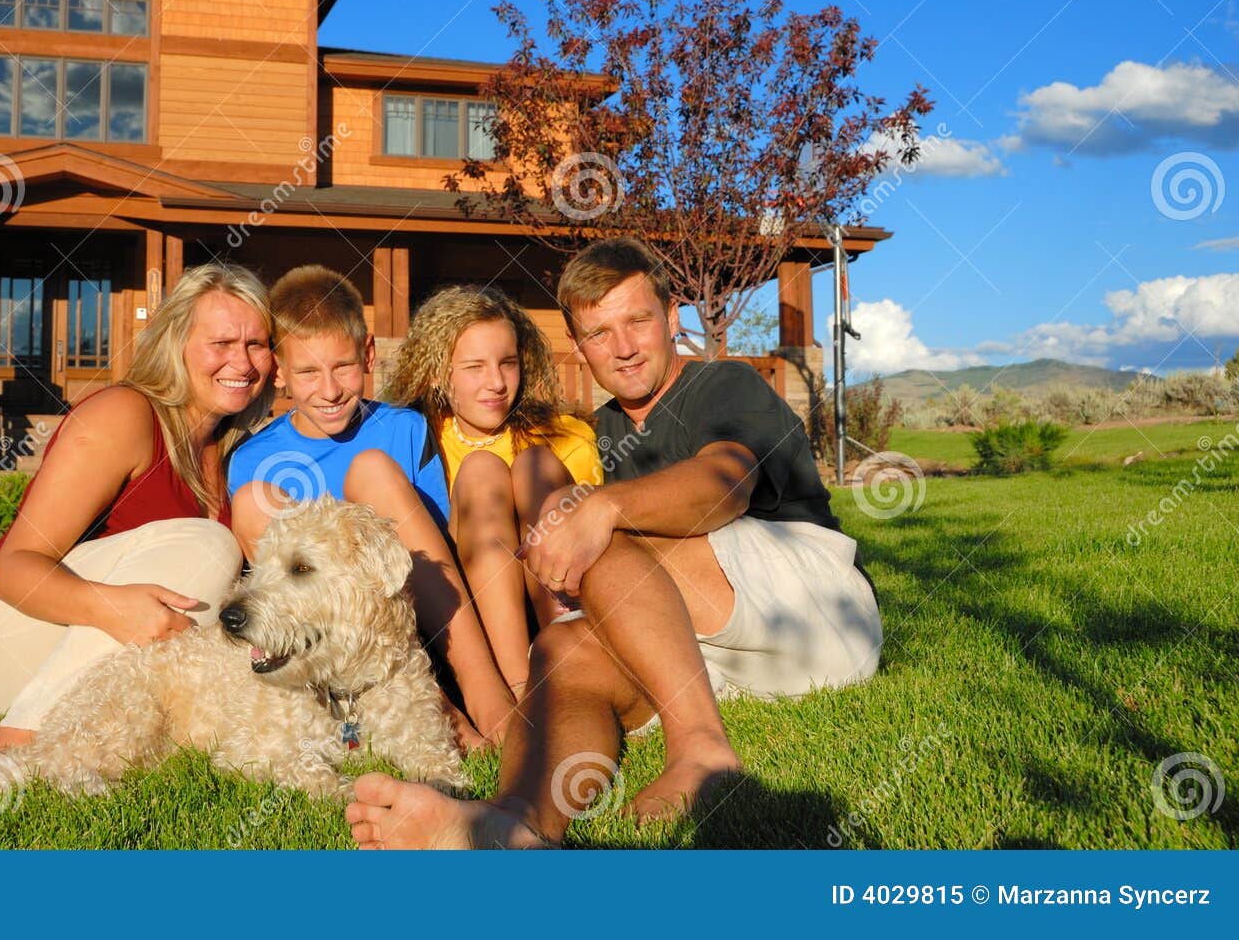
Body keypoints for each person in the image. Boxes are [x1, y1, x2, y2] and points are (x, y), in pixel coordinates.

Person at [345, 237, 884, 848]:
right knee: (564, 653)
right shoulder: (599, 433)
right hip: (708, 649)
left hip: (814, 611)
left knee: (597, 534)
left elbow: (725, 483)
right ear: (578, 346)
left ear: (671, 319)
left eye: (637, 321)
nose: (623, 348)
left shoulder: (722, 386)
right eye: (600, 333)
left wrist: (601, 507)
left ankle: (702, 747)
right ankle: (514, 824)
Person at [0, 263, 275, 760]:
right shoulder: (125, 415)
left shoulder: (234, 455)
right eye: (222, 343)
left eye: (257, 344)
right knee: (209, 546)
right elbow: (14, 571)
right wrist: (111, 607)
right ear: (175, 344)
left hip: (112, 659)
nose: (243, 362)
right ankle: (20, 736)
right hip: (11, 637)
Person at [228, 265, 517, 746]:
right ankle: (444, 711)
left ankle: (484, 691)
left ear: (367, 355)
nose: (329, 389)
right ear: (279, 373)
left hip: (423, 622)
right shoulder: (255, 459)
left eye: (342, 366)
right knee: (252, 501)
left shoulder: (405, 430)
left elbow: (435, 552)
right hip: (334, 650)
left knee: (372, 467)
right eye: (307, 372)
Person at [382, 285, 602, 699]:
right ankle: (521, 691)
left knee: (535, 463)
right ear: (437, 374)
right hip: (466, 618)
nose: (497, 382)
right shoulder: (416, 438)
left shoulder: (567, 436)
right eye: (474, 367)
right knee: (481, 470)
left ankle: (572, 661)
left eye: (508, 363)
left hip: (555, 594)